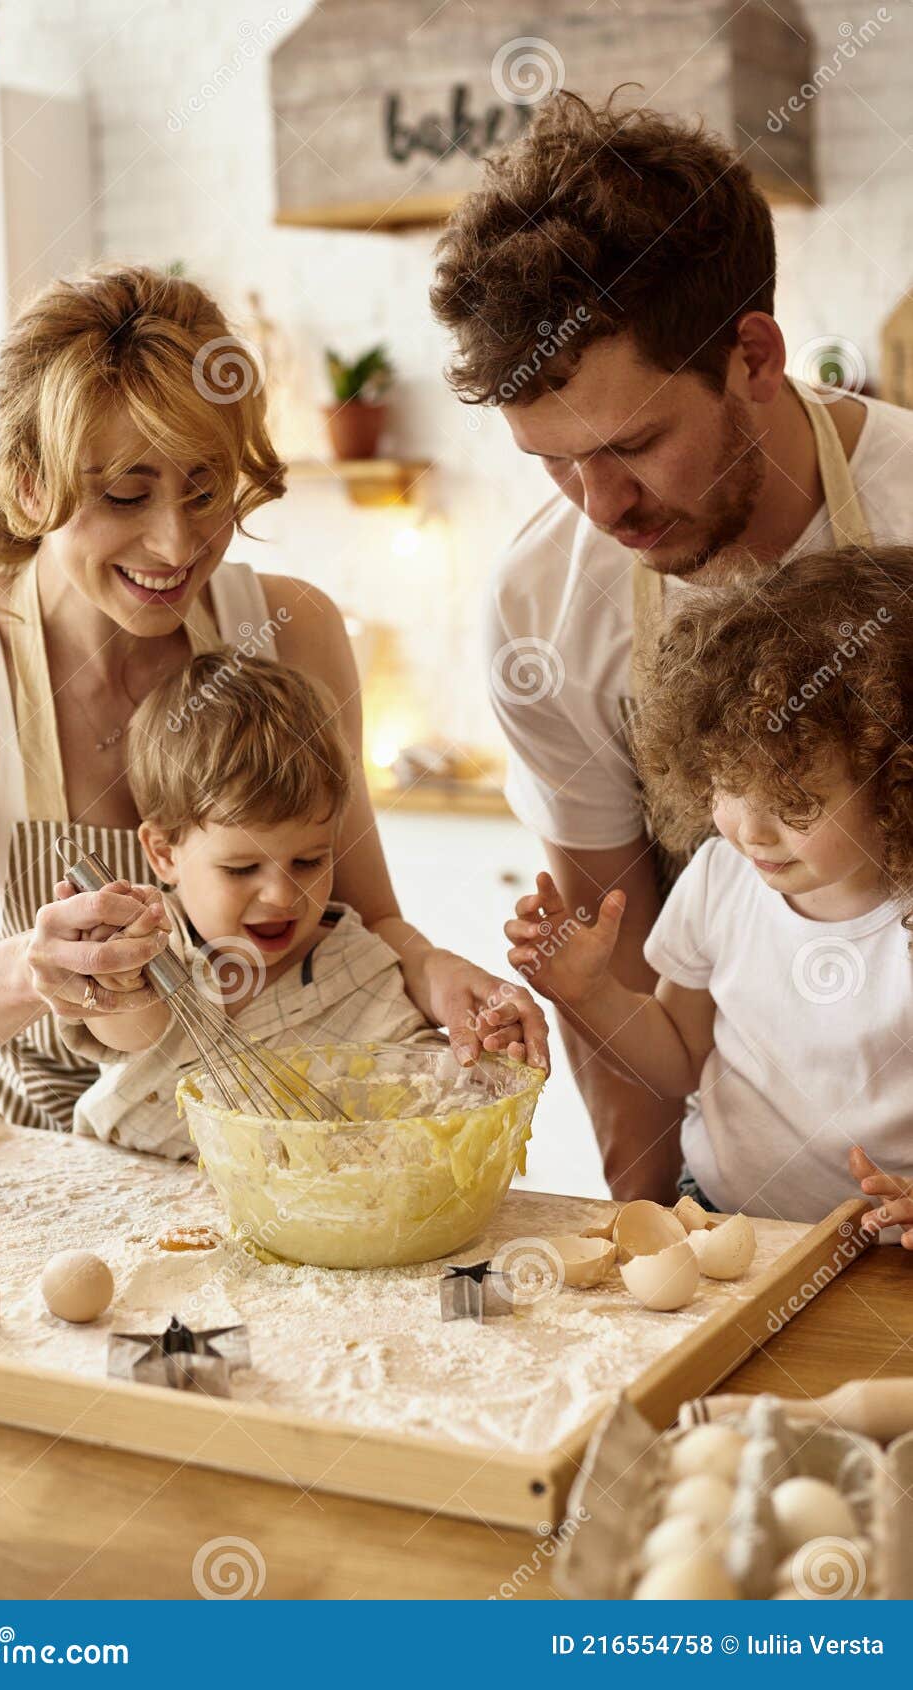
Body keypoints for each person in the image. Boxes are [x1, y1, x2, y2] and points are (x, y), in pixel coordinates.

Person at [0, 264, 546, 1134]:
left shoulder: (293, 629)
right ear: (32, 485)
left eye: (206, 490)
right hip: (54, 1163)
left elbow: (366, 926)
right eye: (125, 495)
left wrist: (439, 972)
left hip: (263, 1144)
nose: (177, 544)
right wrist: (31, 970)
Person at [432, 91, 913, 1202]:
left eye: (634, 444)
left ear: (753, 354)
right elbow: (628, 972)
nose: (600, 507)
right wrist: (649, 1250)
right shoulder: (541, 607)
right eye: (552, 461)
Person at [504, 545, 913, 1225]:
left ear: (897, 781)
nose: (749, 832)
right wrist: (590, 992)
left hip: (888, 1251)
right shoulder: (724, 879)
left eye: (794, 801)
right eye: (727, 784)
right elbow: (679, 1061)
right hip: (726, 1216)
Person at [64, 650, 458, 1157]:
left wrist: (468, 1057)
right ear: (163, 853)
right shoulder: (150, 947)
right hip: (124, 1195)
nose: (282, 896)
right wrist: (118, 976)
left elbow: (421, 1077)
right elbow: (128, 1029)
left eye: (310, 861)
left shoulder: (356, 965)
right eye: (241, 869)